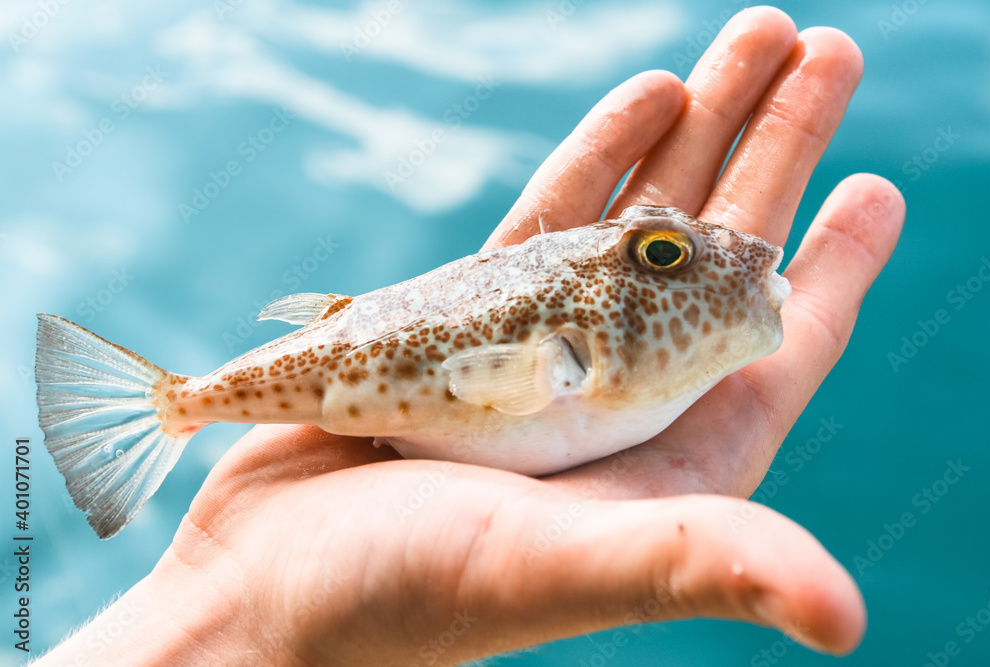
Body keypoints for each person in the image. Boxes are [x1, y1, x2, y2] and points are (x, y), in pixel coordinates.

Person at [34, 7, 904, 666]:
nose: (737, 261)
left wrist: (229, 619)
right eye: (665, 255)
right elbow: (506, 380)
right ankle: (171, 404)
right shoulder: (560, 350)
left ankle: (174, 403)